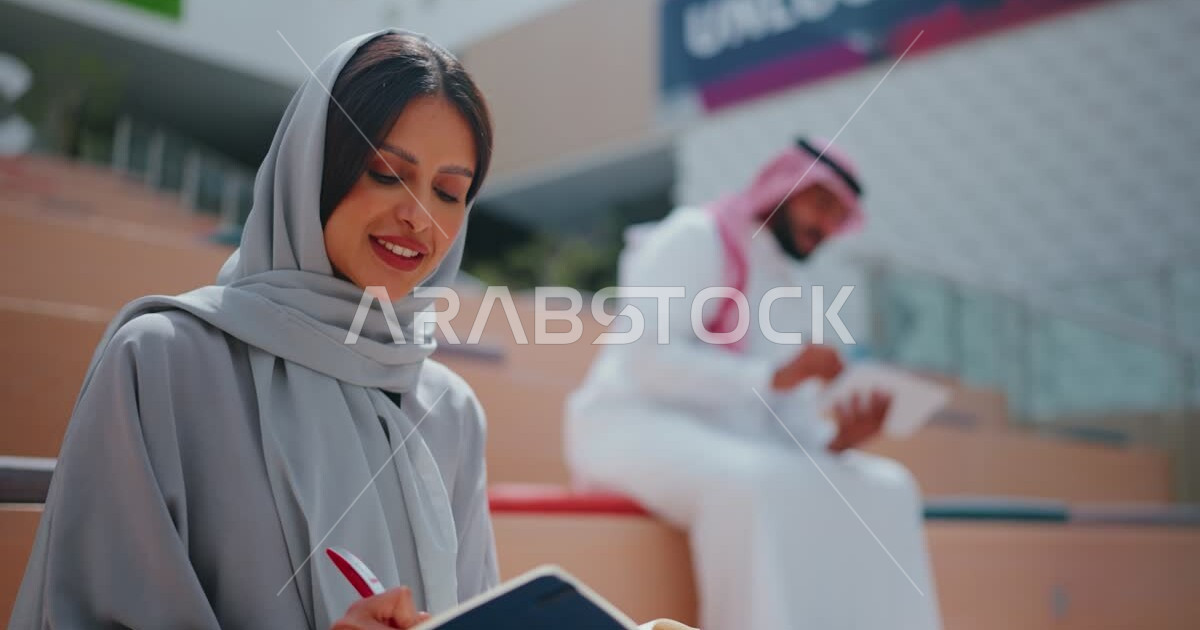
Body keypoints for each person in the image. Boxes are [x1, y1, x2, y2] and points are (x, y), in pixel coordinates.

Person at [11, 31, 498, 629]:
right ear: (313, 168)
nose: (420, 216)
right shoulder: (163, 362)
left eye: (449, 192)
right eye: (385, 173)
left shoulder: (450, 413)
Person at [565, 139, 942, 629]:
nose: (826, 226)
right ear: (785, 189)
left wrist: (838, 441)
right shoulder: (696, 236)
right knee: (756, 484)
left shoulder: (793, 292)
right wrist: (773, 375)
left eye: (839, 217)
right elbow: (644, 359)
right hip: (627, 426)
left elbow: (788, 426)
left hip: (737, 445)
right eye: (821, 204)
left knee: (889, 487)